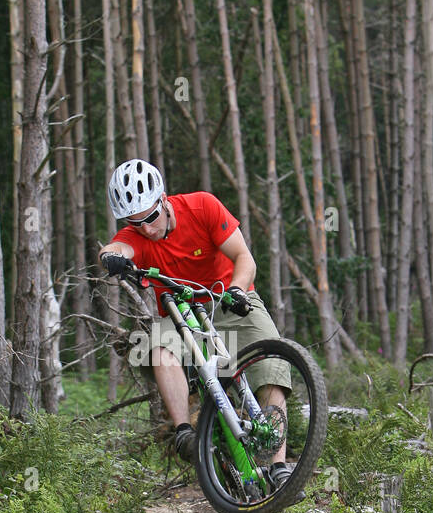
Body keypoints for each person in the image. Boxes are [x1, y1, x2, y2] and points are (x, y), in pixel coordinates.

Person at [99, 158, 293, 485]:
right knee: (160, 349)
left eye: (150, 217)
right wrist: (111, 258)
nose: (146, 228)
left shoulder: (202, 206)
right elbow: (115, 247)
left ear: (163, 200)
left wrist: (237, 290)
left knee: (271, 366)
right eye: (136, 222)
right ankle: (185, 434)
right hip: (181, 314)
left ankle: (279, 467)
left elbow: (244, 257)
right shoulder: (138, 235)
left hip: (229, 297)